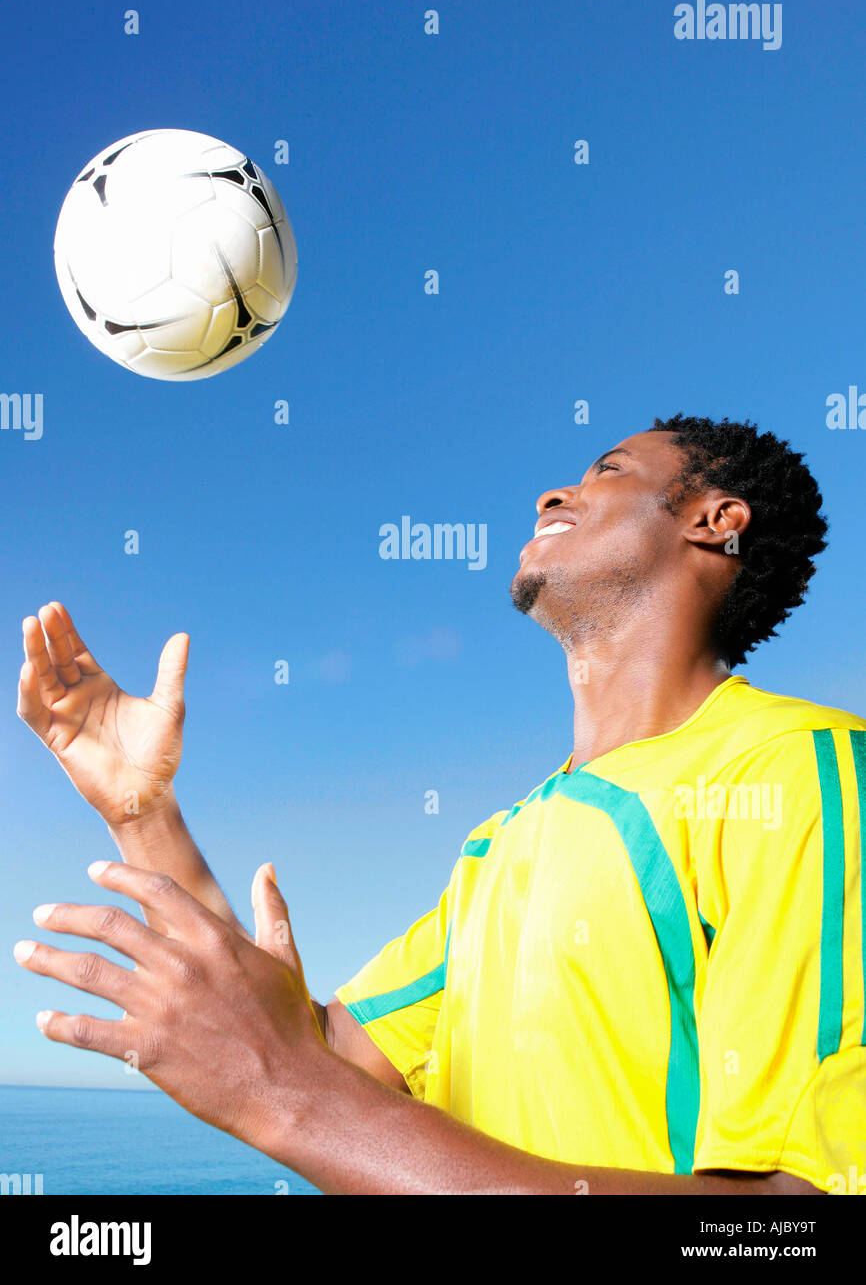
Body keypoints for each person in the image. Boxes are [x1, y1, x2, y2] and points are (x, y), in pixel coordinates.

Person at [13, 415, 865, 1194]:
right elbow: (301, 1054)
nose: (554, 493)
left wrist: (287, 1092)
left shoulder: (797, 771)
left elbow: (781, 1226)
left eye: (608, 470)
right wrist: (141, 811)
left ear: (713, 521)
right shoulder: (501, 845)